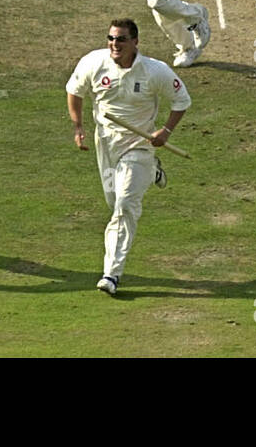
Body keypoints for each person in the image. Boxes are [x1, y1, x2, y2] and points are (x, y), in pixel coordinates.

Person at [65, 19, 191, 296]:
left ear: (135, 42)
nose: (114, 44)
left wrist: (166, 132)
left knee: (124, 205)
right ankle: (151, 173)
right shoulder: (94, 62)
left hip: (139, 145)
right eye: (111, 38)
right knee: (113, 202)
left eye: (121, 39)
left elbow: (182, 100)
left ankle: (111, 274)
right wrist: (78, 127)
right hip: (106, 144)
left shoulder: (155, 71)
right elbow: (74, 91)